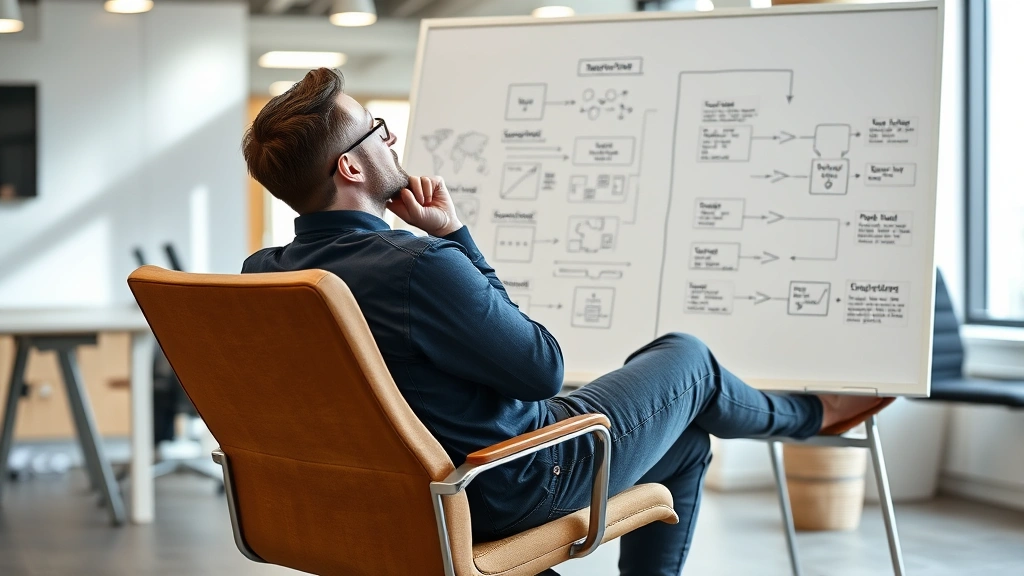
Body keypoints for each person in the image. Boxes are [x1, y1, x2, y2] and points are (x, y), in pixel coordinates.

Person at [240, 68, 891, 576]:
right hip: (505, 481)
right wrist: (457, 236)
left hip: (385, 499)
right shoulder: (415, 265)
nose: (390, 139)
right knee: (686, 356)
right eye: (375, 131)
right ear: (349, 168)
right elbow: (539, 368)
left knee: (685, 444)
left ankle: (803, 419)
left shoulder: (267, 274)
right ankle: (811, 418)